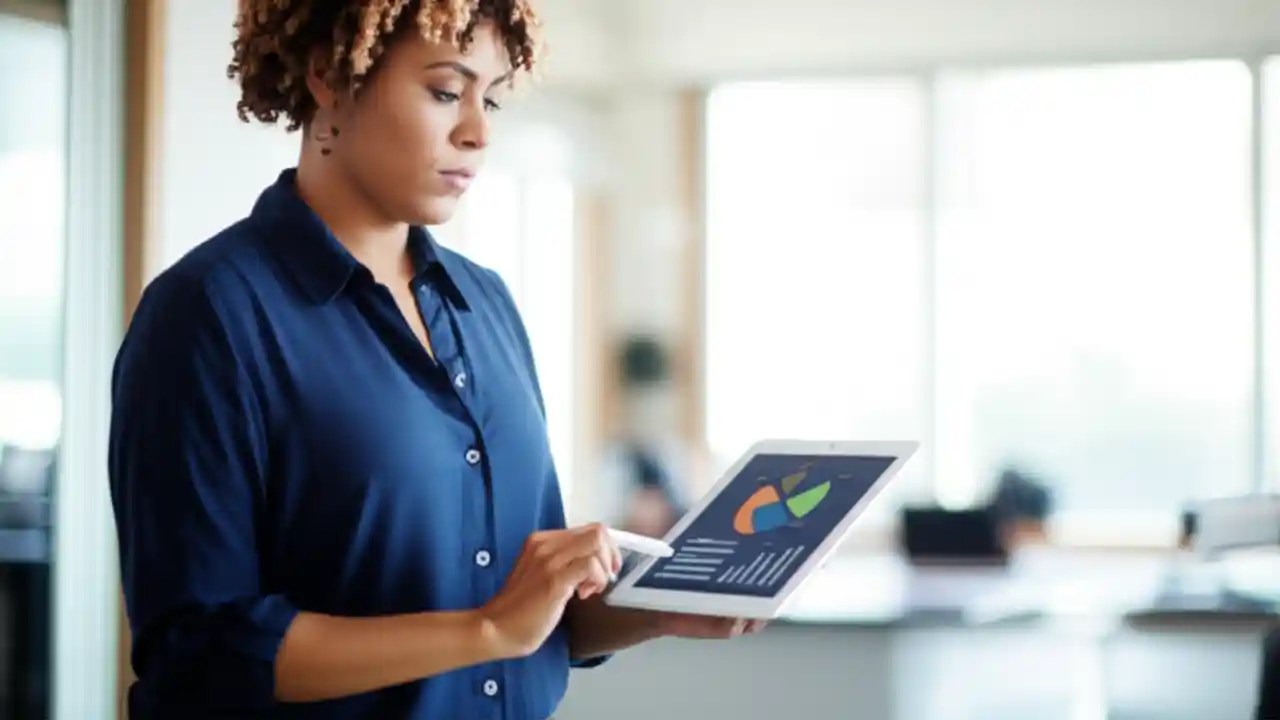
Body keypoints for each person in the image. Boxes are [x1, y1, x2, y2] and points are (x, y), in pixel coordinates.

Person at [107, 2, 763, 718]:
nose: (478, 133)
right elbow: (201, 653)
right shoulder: (209, 314)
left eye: (493, 98)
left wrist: (657, 611)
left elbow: (524, 622)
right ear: (332, 78)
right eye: (447, 93)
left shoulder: (488, 306)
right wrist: (486, 629)